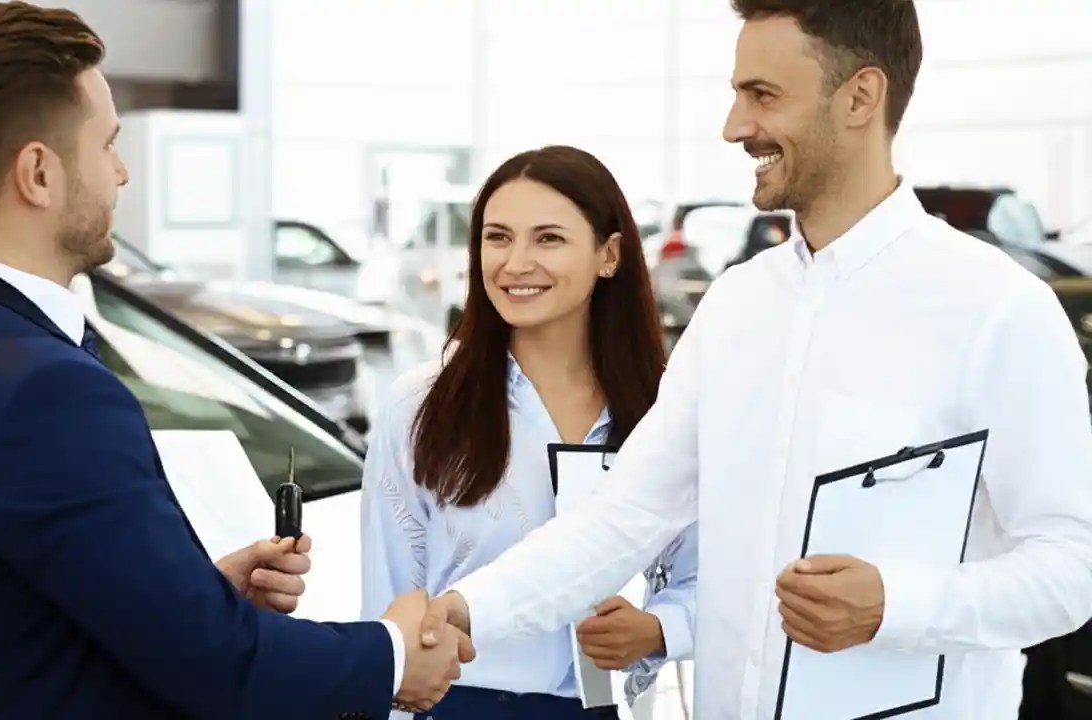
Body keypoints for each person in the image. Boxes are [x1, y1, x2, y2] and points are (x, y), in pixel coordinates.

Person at [418, 1, 1092, 719]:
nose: (734, 126)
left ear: (861, 96)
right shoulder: (737, 304)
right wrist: (464, 611)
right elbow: (625, 515)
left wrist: (896, 604)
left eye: (761, 95)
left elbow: (1071, 570)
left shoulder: (999, 310)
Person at [0, 3, 467, 719]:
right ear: (38, 174)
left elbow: (0, 603)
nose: (122, 172)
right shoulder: (46, 393)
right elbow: (224, 671)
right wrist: (392, 655)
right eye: (106, 144)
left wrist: (183, 596)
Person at [360, 145, 699, 720]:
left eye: (548, 239)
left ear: (609, 254)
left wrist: (657, 628)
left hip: (601, 708)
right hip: (454, 707)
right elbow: (388, 603)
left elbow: (711, 575)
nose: (516, 263)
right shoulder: (421, 405)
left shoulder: (664, 409)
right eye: (497, 238)